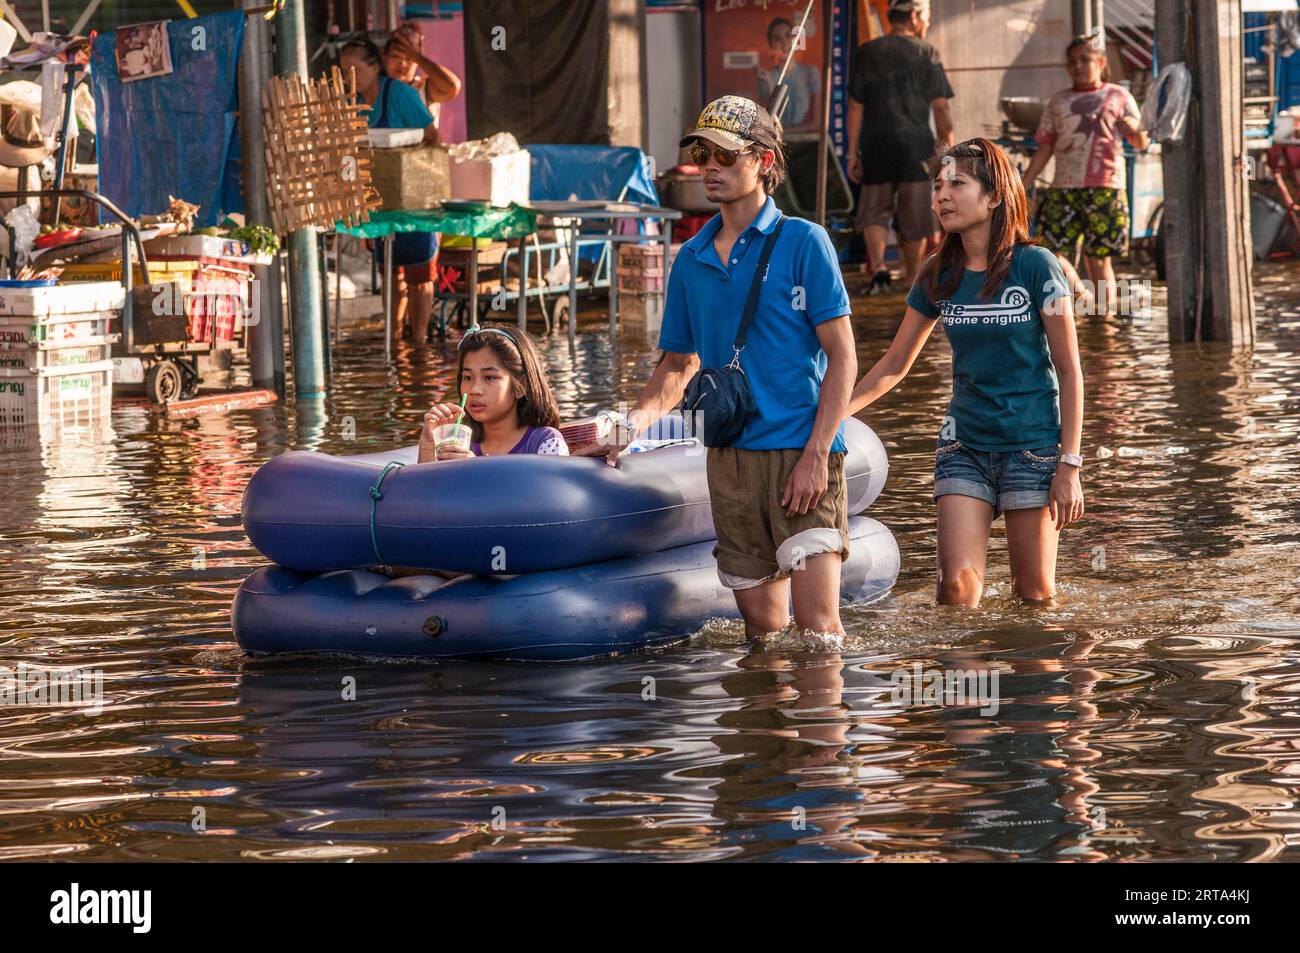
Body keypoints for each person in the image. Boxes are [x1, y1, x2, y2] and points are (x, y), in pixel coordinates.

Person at [579, 96, 857, 640]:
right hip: (729, 462)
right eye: (702, 153)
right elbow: (677, 367)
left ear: (765, 162)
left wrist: (817, 456)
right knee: (763, 635)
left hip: (803, 454)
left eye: (725, 156)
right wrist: (627, 429)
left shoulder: (805, 242)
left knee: (820, 634)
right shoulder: (690, 259)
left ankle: (824, 723)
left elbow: (844, 357)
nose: (710, 166)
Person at [848, 139, 1084, 607]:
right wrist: (831, 415)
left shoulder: (1037, 266)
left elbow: (1070, 370)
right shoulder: (937, 272)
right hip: (964, 445)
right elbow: (894, 365)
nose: (941, 196)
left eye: (958, 183)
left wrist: (1070, 465)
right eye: (937, 186)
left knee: (1034, 596)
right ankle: (969, 677)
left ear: (995, 197)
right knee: (955, 591)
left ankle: (1040, 679)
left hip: (1032, 448)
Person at [1020, 36, 1149, 320]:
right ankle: (1083, 296)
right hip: (1063, 188)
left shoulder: (1119, 96)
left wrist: (1133, 128)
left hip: (1105, 187)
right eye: (1072, 62)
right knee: (1049, 250)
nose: (1078, 67)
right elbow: (1045, 146)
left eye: (1085, 60)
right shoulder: (1058, 101)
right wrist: (1024, 182)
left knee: (1099, 257)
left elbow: (1141, 142)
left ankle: (1105, 320)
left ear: (1101, 63)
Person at [846, 0, 954, 293]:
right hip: (916, 147)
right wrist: (950, 151)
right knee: (916, 216)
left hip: (876, 145)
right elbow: (941, 108)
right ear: (916, 16)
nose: (927, 24)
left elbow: (856, 105)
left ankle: (879, 268)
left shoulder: (868, 51)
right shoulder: (925, 51)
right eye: (927, 18)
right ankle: (912, 281)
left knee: (875, 211)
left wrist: (852, 153)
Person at [339, 36, 439, 344]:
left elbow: (432, 136)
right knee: (390, 271)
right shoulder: (351, 105)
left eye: (353, 70)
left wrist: (413, 174)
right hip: (379, 202)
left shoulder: (399, 93)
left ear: (374, 66)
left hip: (415, 197)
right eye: (343, 72)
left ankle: (420, 344)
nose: (348, 78)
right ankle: (394, 341)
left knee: (419, 275)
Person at [418, 323, 568, 462]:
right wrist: (428, 442)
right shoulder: (459, 445)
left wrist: (478, 470)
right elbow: (424, 490)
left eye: (489, 377)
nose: (474, 390)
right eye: (467, 377)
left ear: (520, 387)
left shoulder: (545, 442)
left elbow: (549, 491)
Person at [384, 21, 462, 146]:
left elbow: (452, 87)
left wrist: (417, 57)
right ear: (385, 57)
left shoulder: (424, 88)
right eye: (395, 56)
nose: (402, 64)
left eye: (409, 59)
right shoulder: (377, 88)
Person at [755, 17, 820, 132]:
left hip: (806, 144)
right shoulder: (765, 78)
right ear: (770, 45)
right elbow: (768, 123)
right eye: (777, 38)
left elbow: (817, 123)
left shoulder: (810, 73)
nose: (784, 42)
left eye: (787, 36)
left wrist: (786, 133)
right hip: (775, 146)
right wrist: (770, 87)